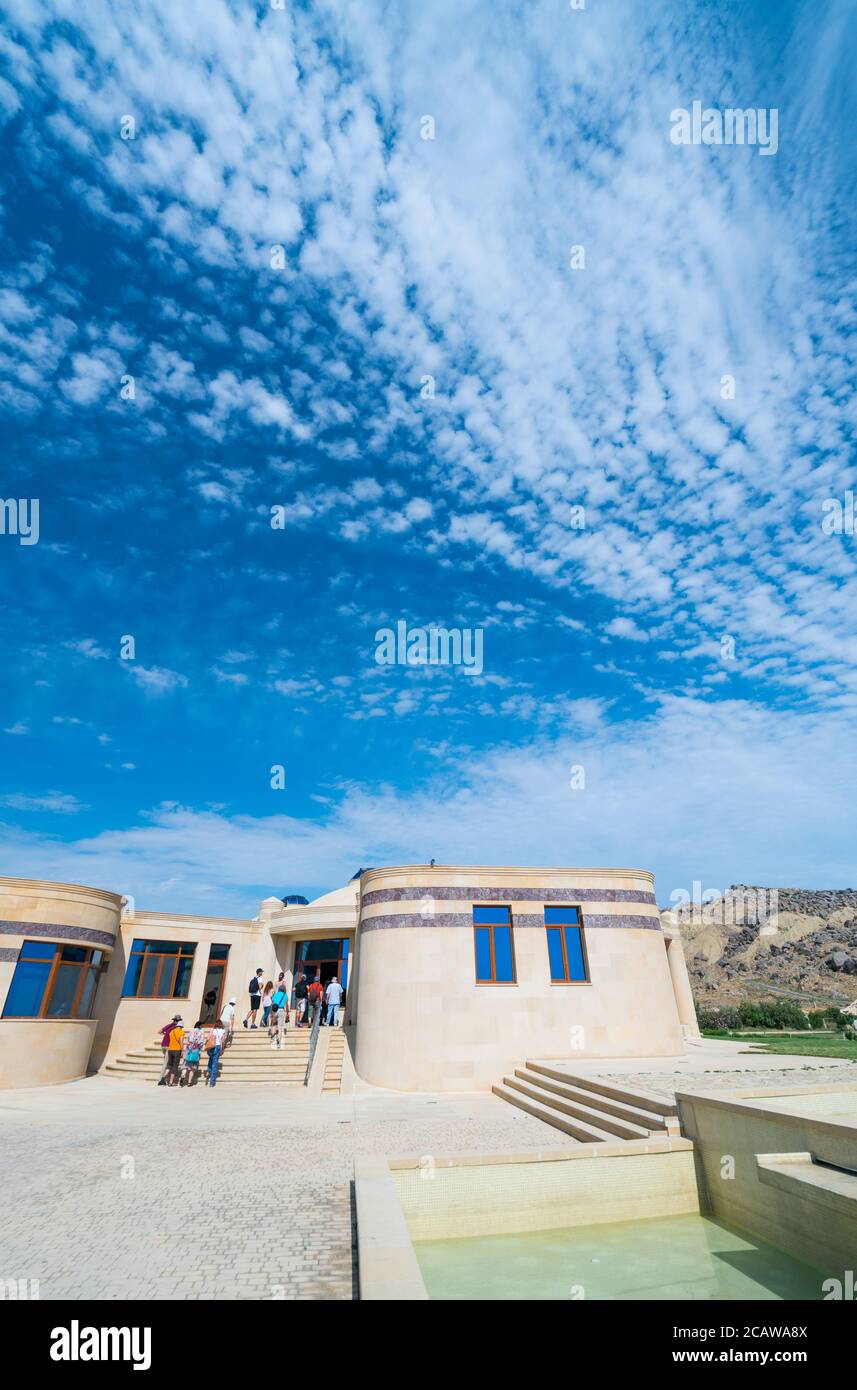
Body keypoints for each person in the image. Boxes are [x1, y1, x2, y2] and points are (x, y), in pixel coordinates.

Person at [156, 1015, 182, 1085]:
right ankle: (161, 1079)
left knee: (167, 1062)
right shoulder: (176, 1028)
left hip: (163, 1045)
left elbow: (159, 1032)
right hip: (168, 1046)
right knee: (166, 1064)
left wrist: (165, 1034)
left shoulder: (169, 1025)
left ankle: (165, 1079)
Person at [181, 1020, 206, 1087]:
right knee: (193, 1067)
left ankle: (183, 1075)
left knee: (186, 1064)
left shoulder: (191, 1031)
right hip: (196, 1050)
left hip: (189, 1049)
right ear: (200, 1025)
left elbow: (187, 1040)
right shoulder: (201, 1032)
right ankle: (189, 1082)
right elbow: (202, 1042)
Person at [163, 1016, 185, 1086]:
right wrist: (182, 1050)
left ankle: (163, 1077)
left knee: (169, 1065)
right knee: (175, 1066)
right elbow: (181, 1041)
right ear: (181, 1026)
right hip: (177, 1050)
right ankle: (170, 1082)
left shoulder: (172, 1032)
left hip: (170, 1049)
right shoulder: (181, 1032)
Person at [206, 1020, 225, 1087]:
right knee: (215, 1063)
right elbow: (222, 1041)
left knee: (210, 1059)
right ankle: (212, 1082)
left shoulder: (212, 1030)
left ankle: (208, 1071)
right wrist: (222, 1049)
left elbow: (208, 1038)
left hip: (211, 1046)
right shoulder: (222, 1031)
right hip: (217, 1047)